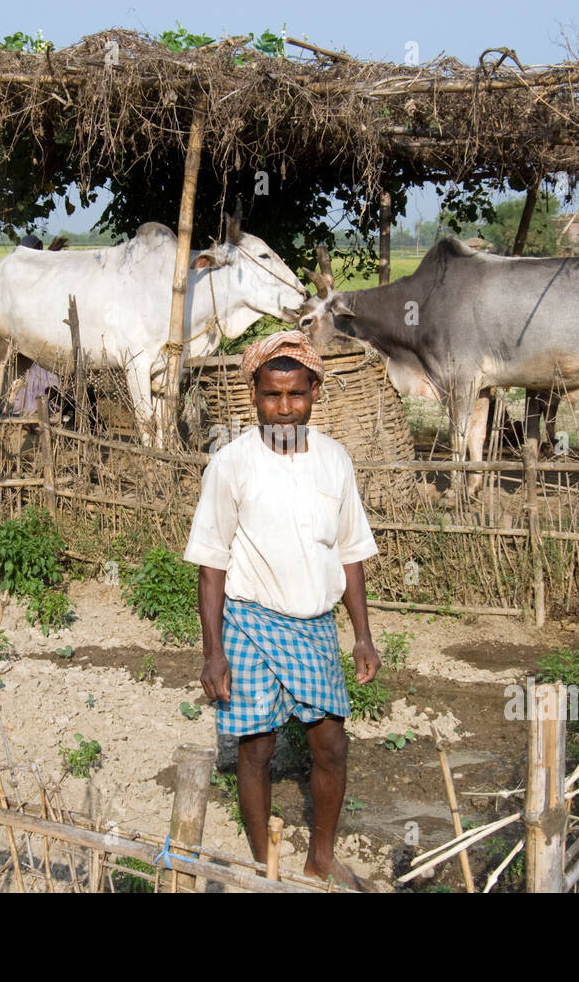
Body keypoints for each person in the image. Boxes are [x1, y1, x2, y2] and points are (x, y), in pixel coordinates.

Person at [183, 330, 380, 890]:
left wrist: (362, 636)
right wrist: (213, 652)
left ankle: (320, 857)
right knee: (256, 747)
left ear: (315, 390)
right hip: (247, 621)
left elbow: (350, 552)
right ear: (254, 394)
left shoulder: (334, 460)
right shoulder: (231, 464)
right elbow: (212, 562)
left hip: (313, 624)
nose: (285, 408)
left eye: (296, 394)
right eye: (273, 395)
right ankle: (258, 862)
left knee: (331, 744)